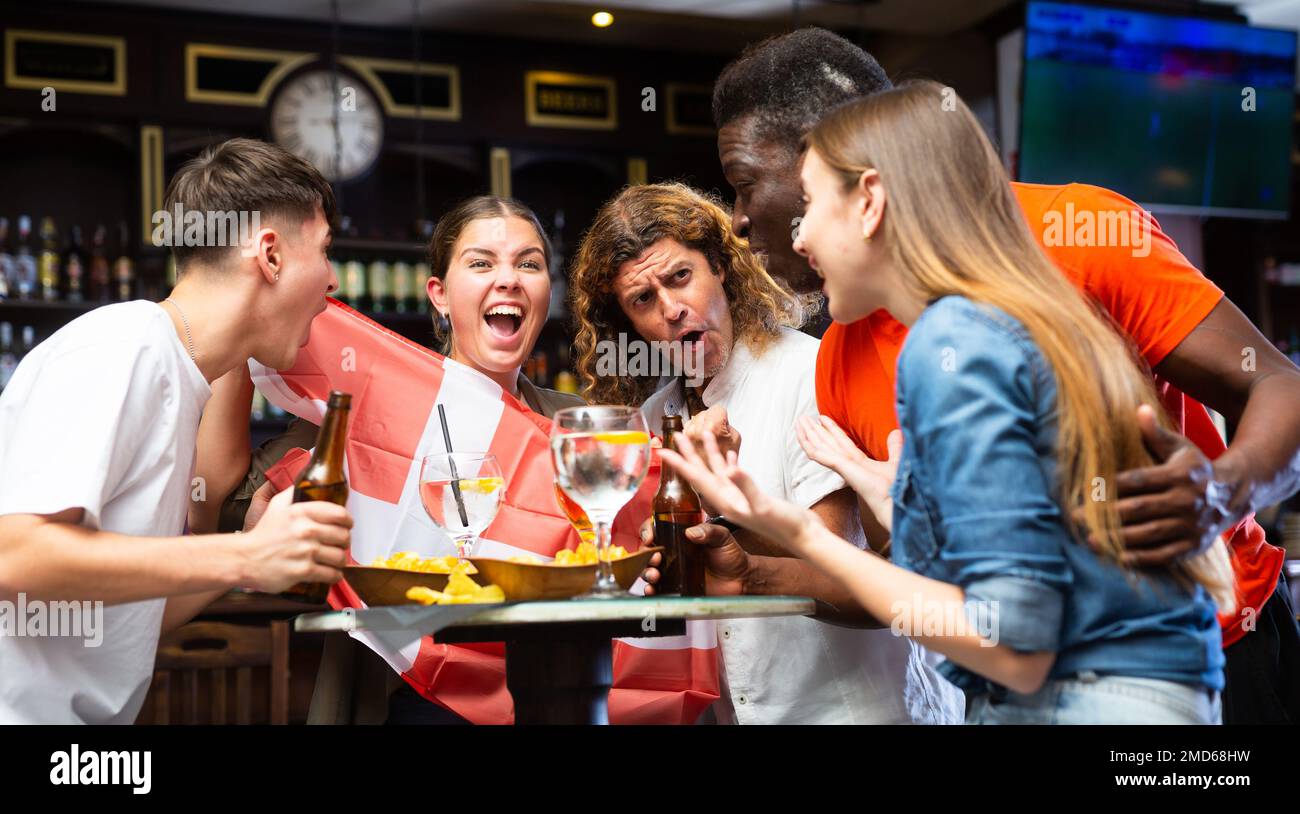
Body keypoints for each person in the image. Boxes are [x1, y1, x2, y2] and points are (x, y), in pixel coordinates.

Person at [709, 27, 1300, 724]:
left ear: (855, 175)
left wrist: (1223, 492)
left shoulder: (1076, 233)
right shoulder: (843, 349)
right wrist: (768, 561)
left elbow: (1279, 383)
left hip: (1220, 655)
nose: (739, 222)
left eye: (747, 184)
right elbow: (943, 581)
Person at [569, 181, 963, 724]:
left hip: (857, 709)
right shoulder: (651, 419)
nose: (672, 309)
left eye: (681, 277)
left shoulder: (808, 372)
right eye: (643, 299)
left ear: (720, 267)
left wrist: (720, 505)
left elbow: (831, 548)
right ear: (627, 323)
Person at [0, 138, 353, 724]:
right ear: (270, 256)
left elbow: (135, 613)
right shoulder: (124, 346)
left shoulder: (181, 374)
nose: (332, 282)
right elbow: (14, 557)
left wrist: (257, 548)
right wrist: (243, 555)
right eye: (323, 250)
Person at [195, 195, 582, 724]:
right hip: (396, 698)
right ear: (440, 296)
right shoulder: (364, 411)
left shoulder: (576, 426)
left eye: (529, 263)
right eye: (482, 262)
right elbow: (226, 500)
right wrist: (236, 336)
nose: (509, 279)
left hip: (541, 694)